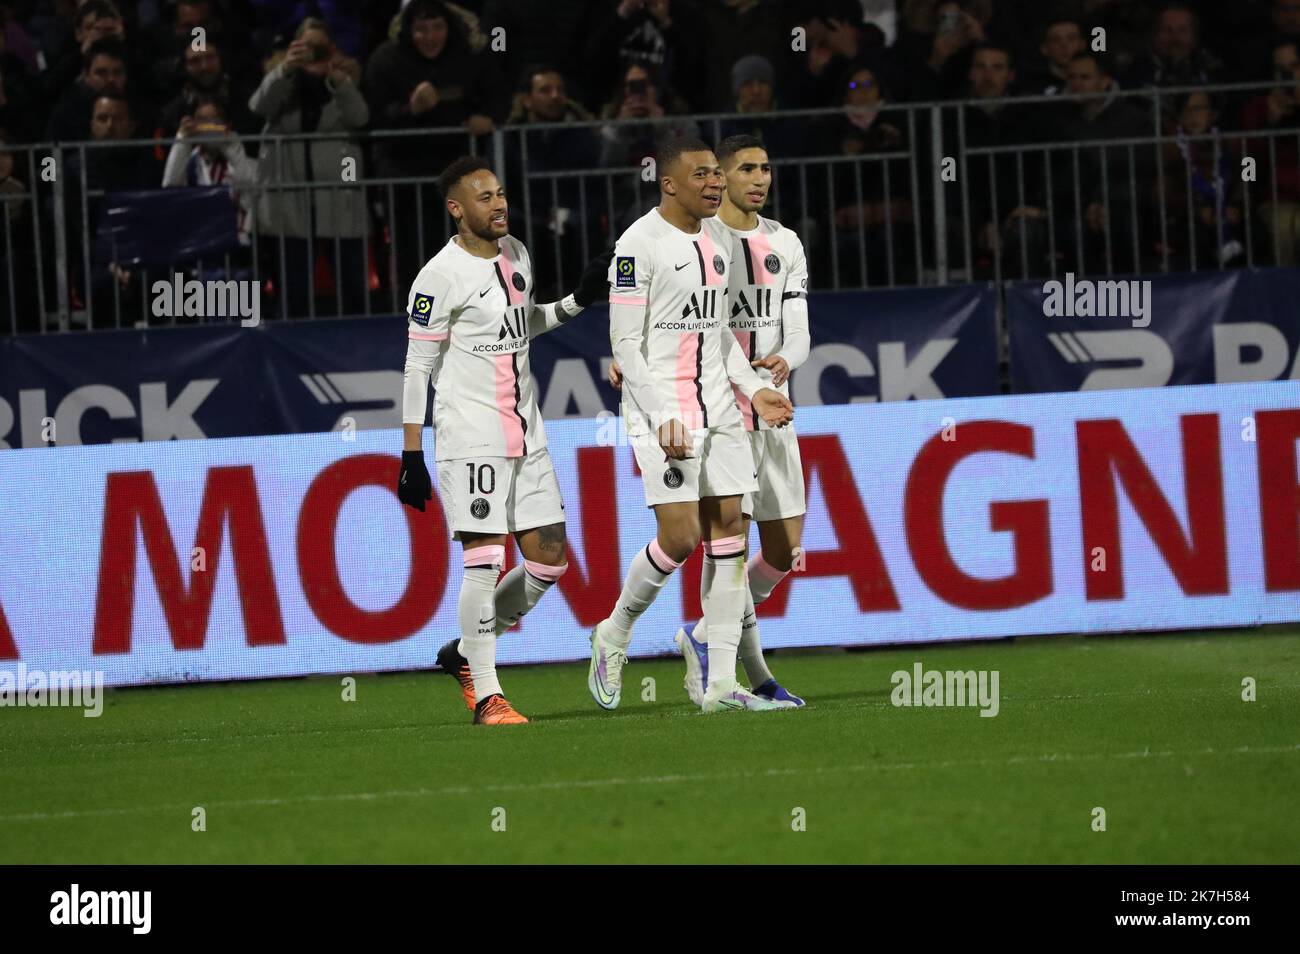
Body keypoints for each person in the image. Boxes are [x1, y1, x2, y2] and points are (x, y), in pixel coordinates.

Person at [396, 156, 610, 725]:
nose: (499, 205)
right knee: (485, 561)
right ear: (456, 207)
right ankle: (488, 695)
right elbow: (417, 368)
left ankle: (466, 651)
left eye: (501, 195)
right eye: (485, 197)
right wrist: (411, 451)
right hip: (472, 437)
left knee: (549, 562)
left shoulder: (517, 253)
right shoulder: (438, 276)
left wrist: (575, 303)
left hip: (528, 433)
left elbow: (521, 324)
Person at [586, 136, 794, 714]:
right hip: (664, 407)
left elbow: (717, 333)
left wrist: (756, 389)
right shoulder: (637, 245)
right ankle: (615, 632)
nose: (715, 183)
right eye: (701, 174)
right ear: (668, 183)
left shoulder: (718, 241)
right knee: (682, 538)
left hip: (721, 406)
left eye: (715, 175)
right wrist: (660, 418)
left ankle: (722, 687)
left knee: (731, 530)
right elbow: (624, 343)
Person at [672, 135, 811, 708]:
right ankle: (750, 676)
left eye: (766, 167)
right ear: (720, 178)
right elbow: (697, 327)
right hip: (721, 412)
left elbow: (797, 326)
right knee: (727, 545)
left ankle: (702, 637)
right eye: (747, 168)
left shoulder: (786, 242)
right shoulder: (700, 242)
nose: (760, 178)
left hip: (774, 407)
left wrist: (785, 360)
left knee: (783, 549)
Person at [249, 17, 368, 318]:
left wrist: (340, 82)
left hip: (339, 204)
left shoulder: (342, 81)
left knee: (352, 293)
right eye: (307, 46)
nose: (314, 53)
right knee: (294, 295)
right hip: (289, 207)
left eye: (320, 47)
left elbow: (360, 118)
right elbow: (258, 106)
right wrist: (286, 68)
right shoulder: (280, 81)